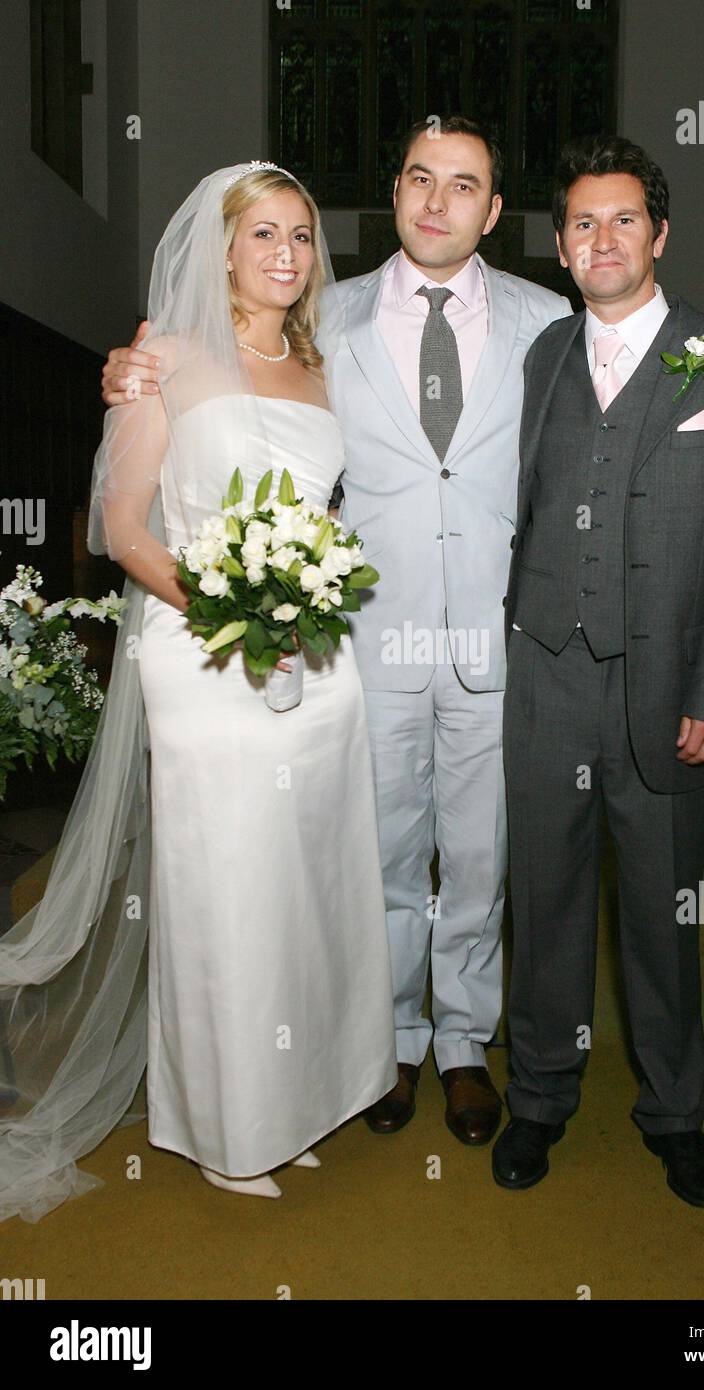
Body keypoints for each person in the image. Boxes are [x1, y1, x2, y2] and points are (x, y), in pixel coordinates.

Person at [100, 119, 704, 1152]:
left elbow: (640, 385)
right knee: (376, 854)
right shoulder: (317, 316)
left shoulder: (542, 319)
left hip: (502, 642)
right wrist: (136, 369)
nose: (437, 200)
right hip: (348, 641)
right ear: (393, 192)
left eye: (463, 184)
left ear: (495, 211)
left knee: (483, 859)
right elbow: (227, 376)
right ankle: (387, 1037)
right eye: (420, 178)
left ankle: (465, 1043)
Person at [0, 162, 396, 1222]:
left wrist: (292, 613)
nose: (285, 253)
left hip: (316, 664)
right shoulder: (160, 361)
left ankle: (296, 1100)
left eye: (302, 237)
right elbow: (122, 526)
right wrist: (234, 614)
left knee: (306, 893)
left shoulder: (319, 369)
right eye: (263, 233)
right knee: (226, 890)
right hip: (202, 652)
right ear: (221, 248)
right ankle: (221, 1125)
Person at [494, 136, 704, 1205]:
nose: (600, 237)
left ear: (656, 235)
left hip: (669, 694)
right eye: (580, 222)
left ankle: (672, 1114)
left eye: (622, 219)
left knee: (662, 919)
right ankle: (538, 1097)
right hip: (546, 678)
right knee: (547, 904)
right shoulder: (545, 359)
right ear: (562, 246)